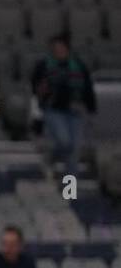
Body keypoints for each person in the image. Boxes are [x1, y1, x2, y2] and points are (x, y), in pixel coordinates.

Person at [32, 33, 96, 178]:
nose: (58, 51)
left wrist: (91, 109)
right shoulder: (44, 66)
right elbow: (36, 88)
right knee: (64, 142)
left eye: (60, 48)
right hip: (54, 110)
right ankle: (51, 157)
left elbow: (87, 88)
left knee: (73, 150)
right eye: (55, 48)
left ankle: (70, 190)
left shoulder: (78, 65)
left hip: (75, 111)